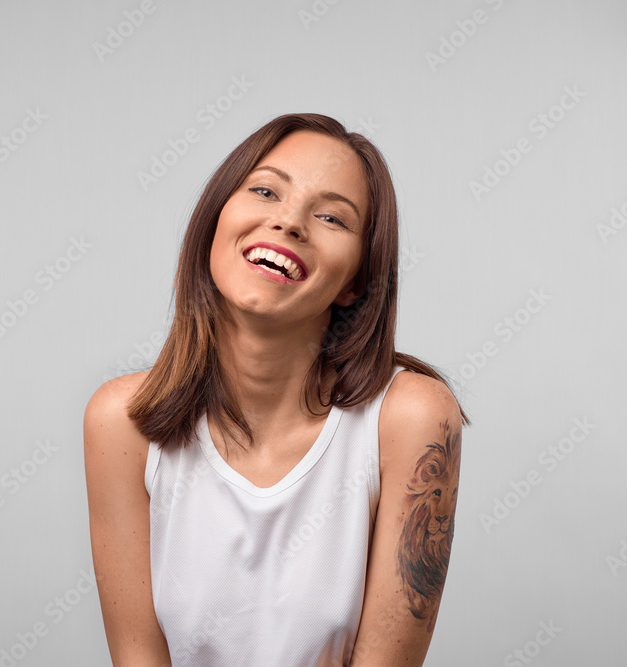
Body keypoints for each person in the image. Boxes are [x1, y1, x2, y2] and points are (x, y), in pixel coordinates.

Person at [83, 113, 469, 666]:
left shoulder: (412, 417)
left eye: (332, 217)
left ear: (357, 279)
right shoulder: (122, 420)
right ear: (218, 218)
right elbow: (138, 656)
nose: (288, 222)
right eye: (265, 190)